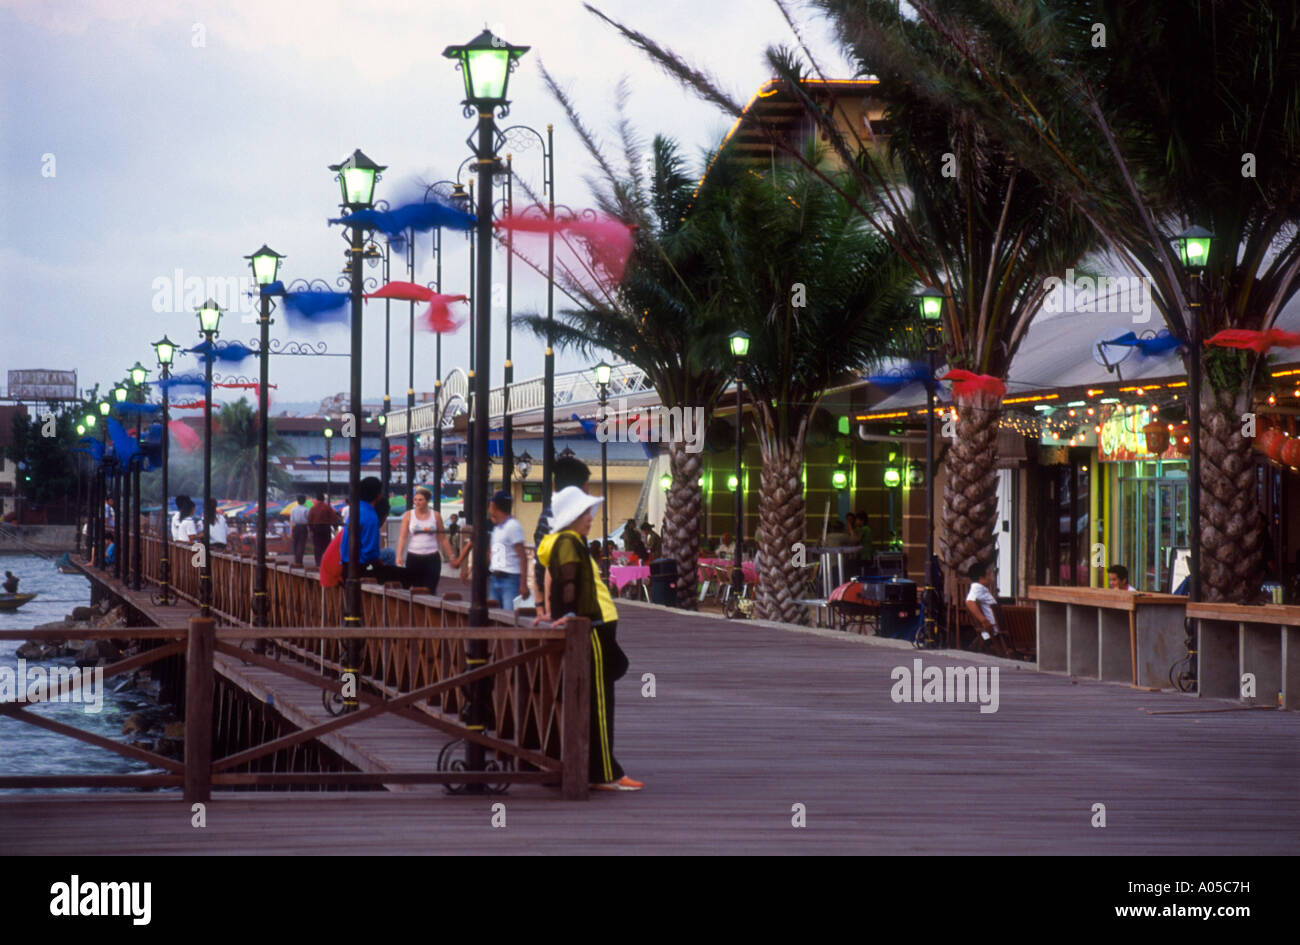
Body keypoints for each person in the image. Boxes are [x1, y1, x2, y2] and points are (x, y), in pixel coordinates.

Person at [537, 485, 642, 791]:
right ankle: (604, 773)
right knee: (598, 699)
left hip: (591, 623)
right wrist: (568, 614)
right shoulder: (569, 543)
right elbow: (568, 579)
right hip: (590, 625)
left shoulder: (560, 542)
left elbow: (555, 578)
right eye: (585, 514)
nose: (590, 519)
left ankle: (579, 764)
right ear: (571, 516)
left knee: (590, 695)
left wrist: (549, 609)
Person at [532, 455, 593, 617]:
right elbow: (549, 569)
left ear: (554, 484)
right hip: (564, 608)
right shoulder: (568, 520)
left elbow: (538, 564)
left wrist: (540, 606)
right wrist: (547, 608)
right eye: (587, 487)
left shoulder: (548, 516)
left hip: (558, 606)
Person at [396, 486, 452, 594]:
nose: (417, 502)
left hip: (431, 557)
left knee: (430, 589)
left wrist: (451, 556)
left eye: (420, 500)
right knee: (415, 589)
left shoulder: (435, 515)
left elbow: (443, 538)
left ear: (427, 501)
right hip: (414, 556)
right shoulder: (408, 515)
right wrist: (399, 555)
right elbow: (403, 537)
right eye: (415, 499)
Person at [488, 491, 528, 610]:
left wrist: (523, 583)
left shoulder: (512, 526)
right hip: (495, 577)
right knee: (494, 616)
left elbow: (522, 556)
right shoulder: (498, 528)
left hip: (509, 579)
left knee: (508, 616)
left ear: (494, 506)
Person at [965, 562, 1008, 656]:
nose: (990, 578)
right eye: (988, 574)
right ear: (981, 577)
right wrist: (984, 620)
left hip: (998, 627)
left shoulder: (981, 588)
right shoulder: (977, 587)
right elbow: (969, 602)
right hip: (997, 629)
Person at [308, 492, 336, 567]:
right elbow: (334, 518)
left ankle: (318, 563)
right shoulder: (328, 507)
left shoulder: (313, 508)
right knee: (326, 546)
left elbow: (310, 520)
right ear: (323, 499)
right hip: (326, 528)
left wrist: (311, 530)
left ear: (317, 499)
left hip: (316, 528)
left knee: (317, 546)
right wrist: (334, 527)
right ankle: (327, 562)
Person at [290, 494, 310, 565]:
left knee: (295, 543)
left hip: (296, 527)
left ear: (297, 501)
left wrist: (291, 531)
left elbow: (291, 520)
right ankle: (299, 560)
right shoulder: (306, 509)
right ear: (304, 501)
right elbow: (308, 520)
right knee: (301, 544)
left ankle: (296, 559)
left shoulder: (293, 509)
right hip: (303, 527)